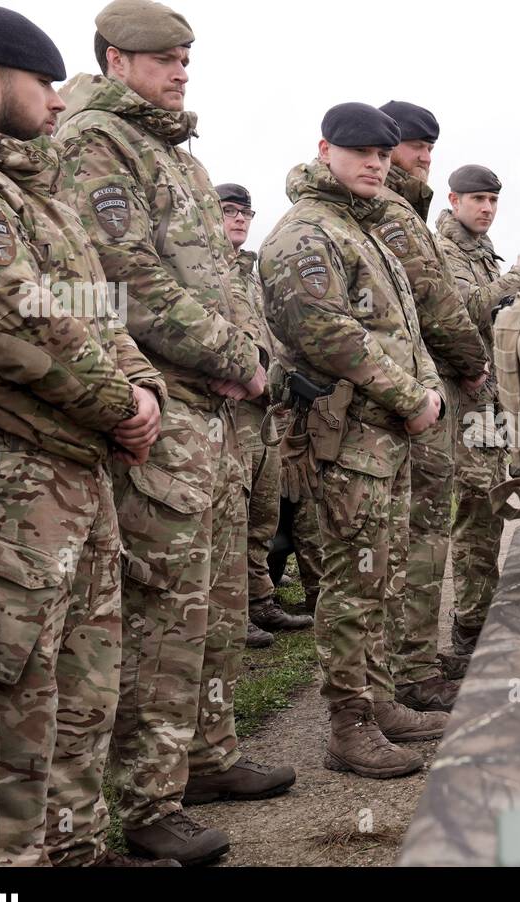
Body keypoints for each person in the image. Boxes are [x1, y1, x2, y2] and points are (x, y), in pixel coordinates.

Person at [0, 3, 171, 866]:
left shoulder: (29, 191)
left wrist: (144, 384)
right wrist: (125, 407)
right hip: (9, 488)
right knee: (8, 711)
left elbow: (98, 310)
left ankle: (77, 850)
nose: (57, 102)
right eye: (43, 83)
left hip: (74, 479)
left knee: (82, 694)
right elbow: (27, 326)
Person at [56, 0, 293, 865]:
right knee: (166, 612)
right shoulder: (95, 143)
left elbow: (218, 278)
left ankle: (208, 754)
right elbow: (131, 281)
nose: (182, 68)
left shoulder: (174, 152)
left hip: (218, 411)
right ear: (116, 60)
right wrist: (237, 354)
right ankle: (152, 802)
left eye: (188, 56)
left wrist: (250, 357)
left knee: (219, 602)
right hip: (175, 409)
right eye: (164, 56)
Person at [259, 102, 450, 779]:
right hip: (345, 441)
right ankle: (349, 726)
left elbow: (403, 330)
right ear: (324, 150)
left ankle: (380, 702)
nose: (374, 162)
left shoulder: (357, 229)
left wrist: (427, 394)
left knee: (382, 578)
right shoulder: (307, 234)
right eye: (359, 150)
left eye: (382, 152)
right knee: (351, 583)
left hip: (382, 438)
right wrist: (410, 396)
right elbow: (329, 336)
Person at [374, 100, 490, 705]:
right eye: (416, 146)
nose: (423, 157)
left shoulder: (395, 207)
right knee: (419, 534)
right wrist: (471, 365)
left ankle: (409, 663)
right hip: (416, 391)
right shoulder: (392, 211)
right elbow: (438, 302)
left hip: (413, 385)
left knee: (417, 533)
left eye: (429, 148)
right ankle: (410, 671)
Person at [435, 164, 520, 658]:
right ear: (454, 201)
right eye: (478, 199)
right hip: (461, 405)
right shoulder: (445, 251)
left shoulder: (480, 254)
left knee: (490, 508)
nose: (487, 209)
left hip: (488, 404)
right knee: (476, 511)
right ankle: (470, 628)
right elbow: (470, 307)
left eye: (493, 201)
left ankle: (481, 613)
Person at [214, 182, 313, 650]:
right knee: (230, 518)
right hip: (231, 412)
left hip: (267, 412)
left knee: (262, 518)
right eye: (229, 210)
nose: (238, 219)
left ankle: (261, 600)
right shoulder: (206, 268)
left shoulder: (253, 272)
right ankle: (231, 614)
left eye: (245, 212)